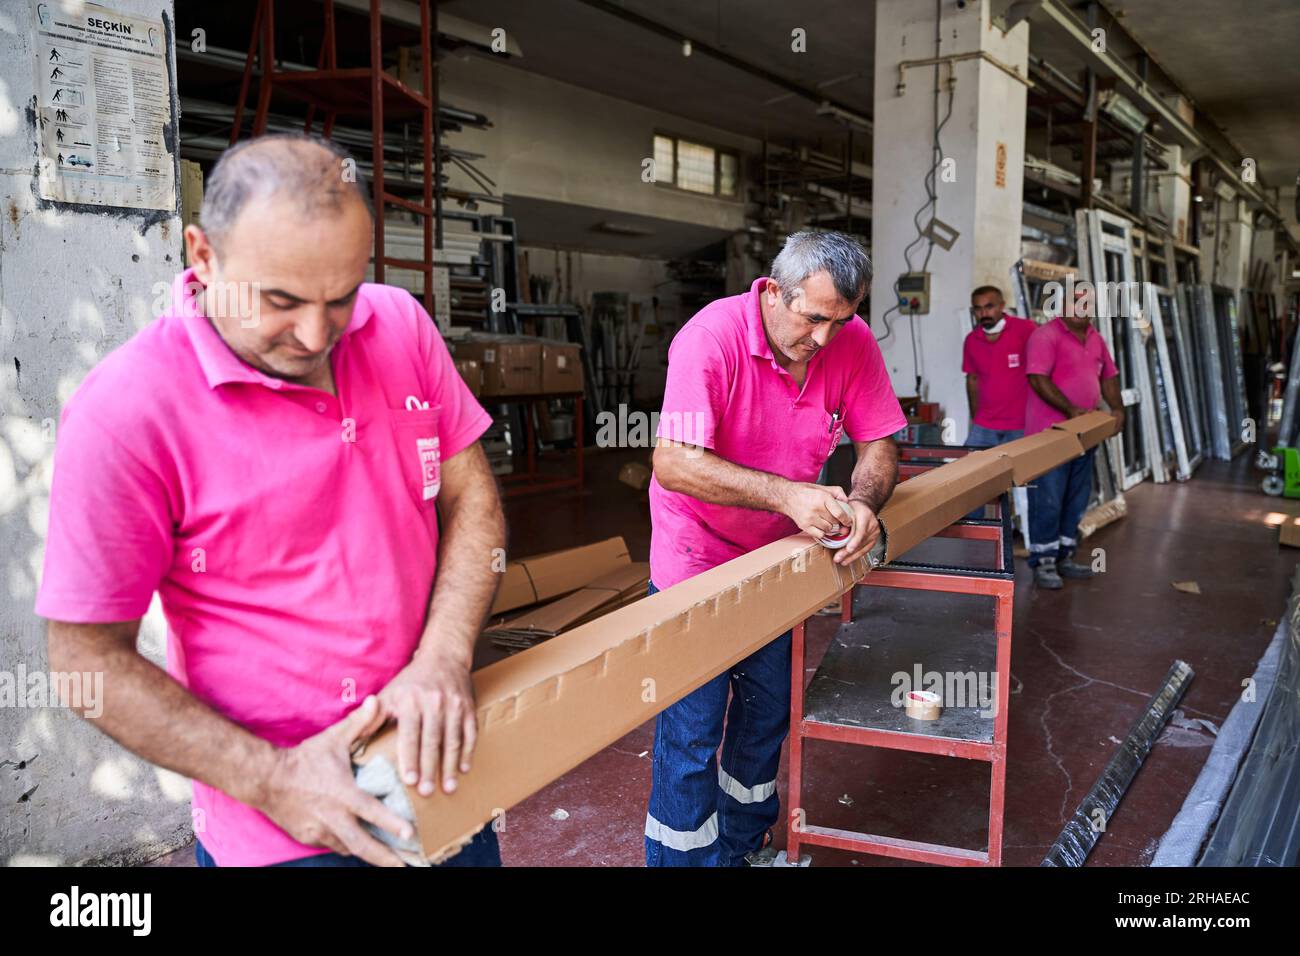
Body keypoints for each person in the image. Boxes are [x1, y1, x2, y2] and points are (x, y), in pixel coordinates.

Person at [37, 134, 506, 867]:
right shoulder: (125, 413)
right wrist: (276, 780)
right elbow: (85, 662)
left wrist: (443, 658)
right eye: (280, 302)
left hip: (439, 776)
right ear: (202, 255)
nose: (316, 335)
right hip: (284, 834)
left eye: (341, 297)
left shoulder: (400, 326)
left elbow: (470, 493)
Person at [646, 231, 906, 866]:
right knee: (691, 734)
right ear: (773, 290)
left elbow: (880, 443)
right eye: (813, 318)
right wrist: (790, 496)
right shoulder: (710, 339)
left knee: (765, 723)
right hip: (697, 562)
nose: (824, 339)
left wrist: (866, 502)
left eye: (840, 321)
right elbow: (674, 463)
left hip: (780, 564)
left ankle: (741, 851)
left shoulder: (850, 341)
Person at [1024, 285, 1125, 589]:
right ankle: (1043, 561)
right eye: (1075, 302)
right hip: (1049, 436)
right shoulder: (1046, 336)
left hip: (1085, 434)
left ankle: (1065, 556)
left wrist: (1119, 409)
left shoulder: (1096, 338)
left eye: (1087, 303)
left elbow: (1108, 376)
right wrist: (1071, 409)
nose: (1082, 308)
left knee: (1076, 497)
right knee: (1048, 498)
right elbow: (1037, 378)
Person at [963, 285, 1036, 448]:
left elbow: (1041, 373)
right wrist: (976, 418)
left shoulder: (1025, 330)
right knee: (969, 467)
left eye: (989, 307)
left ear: (1002, 306)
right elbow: (972, 380)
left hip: (1021, 425)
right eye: (978, 309)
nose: (984, 314)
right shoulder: (972, 340)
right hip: (984, 425)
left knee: (1021, 472)